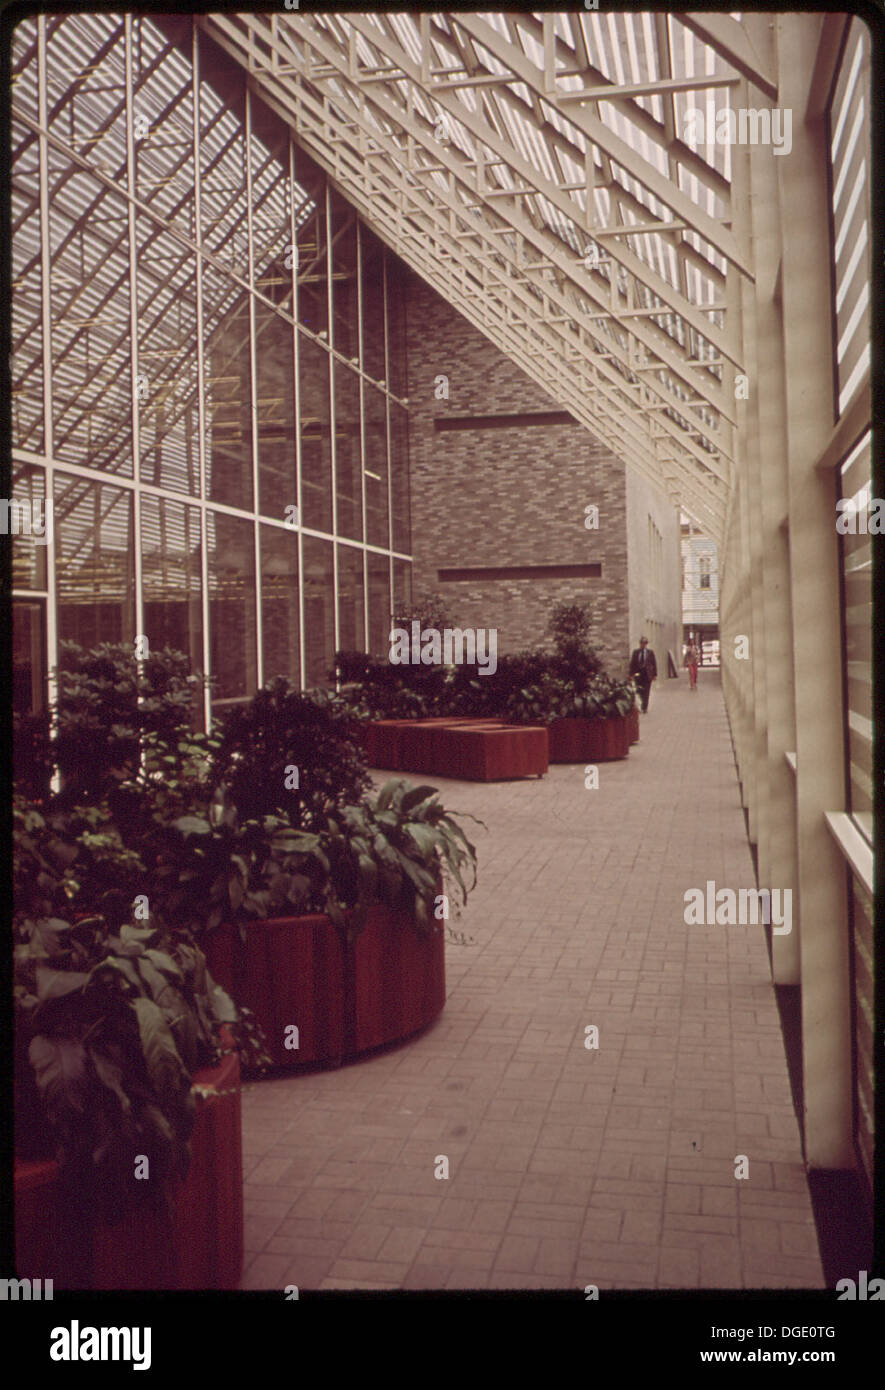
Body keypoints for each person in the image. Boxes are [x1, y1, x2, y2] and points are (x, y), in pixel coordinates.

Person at [629, 636, 657, 712]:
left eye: (645, 643)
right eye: (642, 643)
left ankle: (645, 707)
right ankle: (642, 702)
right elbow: (632, 664)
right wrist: (631, 674)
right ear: (640, 643)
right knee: (639, 690)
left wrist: (655, 674)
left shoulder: (650, 652)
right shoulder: (636, 652)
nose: (643, 645)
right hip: (638, 674)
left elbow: (654, 663)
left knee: (646, 691)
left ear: (646, 644)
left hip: (647, 674)